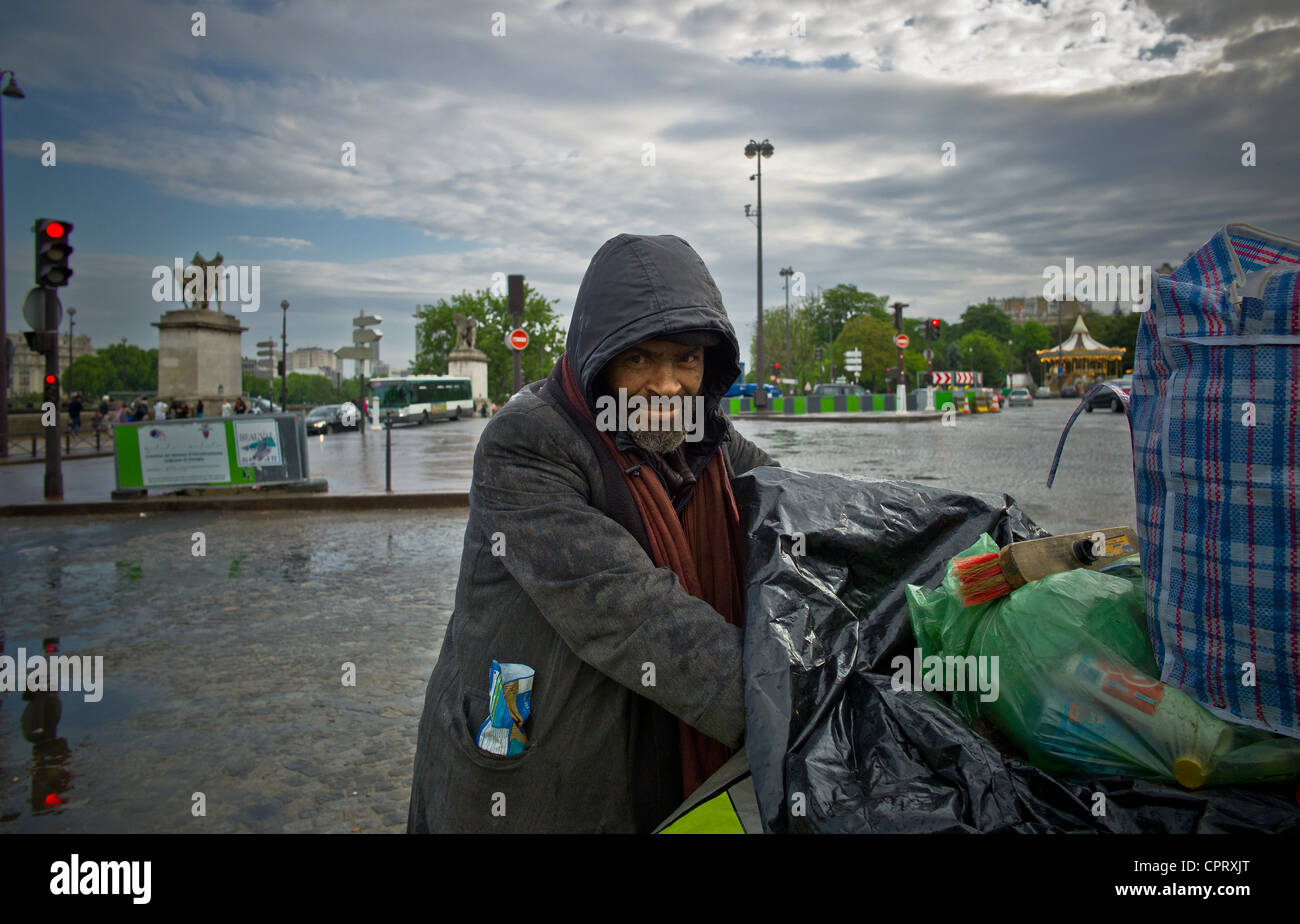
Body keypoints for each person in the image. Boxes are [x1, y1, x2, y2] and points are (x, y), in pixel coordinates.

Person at [407, 233, 778, 834]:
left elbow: (801, 509)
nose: (667, 385)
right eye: (640, 359)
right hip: (531, 774)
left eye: (686, 358)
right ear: (598, 359)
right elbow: (632, 612)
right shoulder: (527, 442)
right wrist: (792, 707)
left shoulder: (708, 440)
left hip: (648, 759)